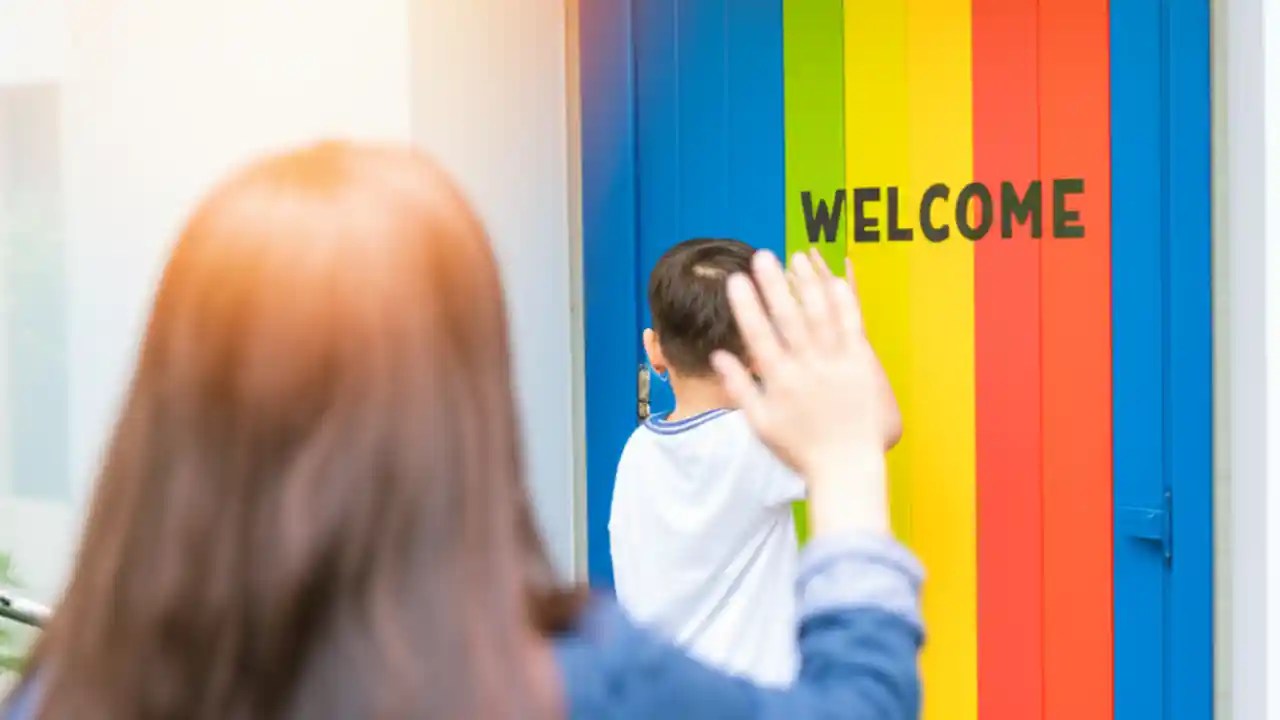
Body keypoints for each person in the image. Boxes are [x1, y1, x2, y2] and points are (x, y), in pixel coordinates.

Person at [2, 142, 922, 719]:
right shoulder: (569, 685)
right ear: (466, 397)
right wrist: (841, 455)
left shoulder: (64, 694)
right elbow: (858, 703)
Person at [610, 238, 901, 686]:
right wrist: (848, 336)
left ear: (655, 349)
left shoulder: (638, 451)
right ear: (758, 354)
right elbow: (878, 428)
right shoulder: (756, 441)